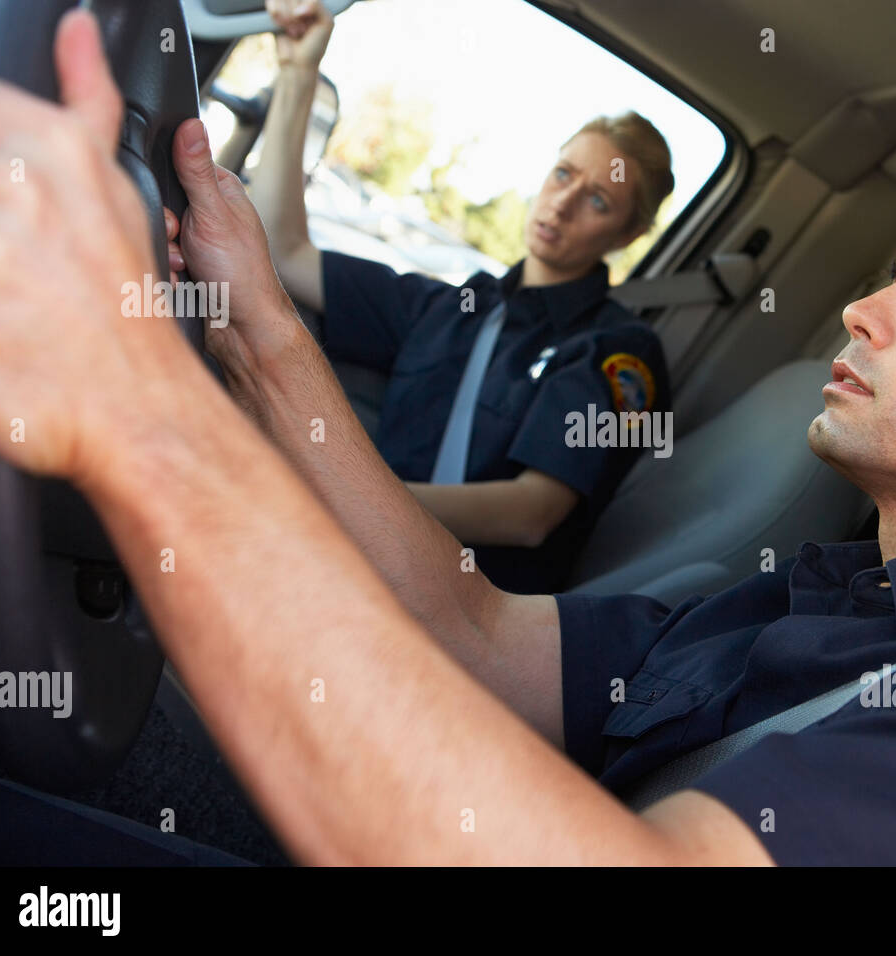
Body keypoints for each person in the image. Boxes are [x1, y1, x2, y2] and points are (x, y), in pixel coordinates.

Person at [0, 11, 896, 865]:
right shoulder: (820, 597)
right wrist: (250, 335)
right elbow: (471, 632)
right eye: (892, 273)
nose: (861, 307)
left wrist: (151, 427)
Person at [216, 0, 674, 593]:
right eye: (563, 174)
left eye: (597, 201)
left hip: (460, 610)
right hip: (351, 565)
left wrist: (341, 495)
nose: (561, 203)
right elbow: (285, 251)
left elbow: (530, 514)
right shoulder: (457, 305)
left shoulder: (617, 349)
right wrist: (300, 71)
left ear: (627, 234)